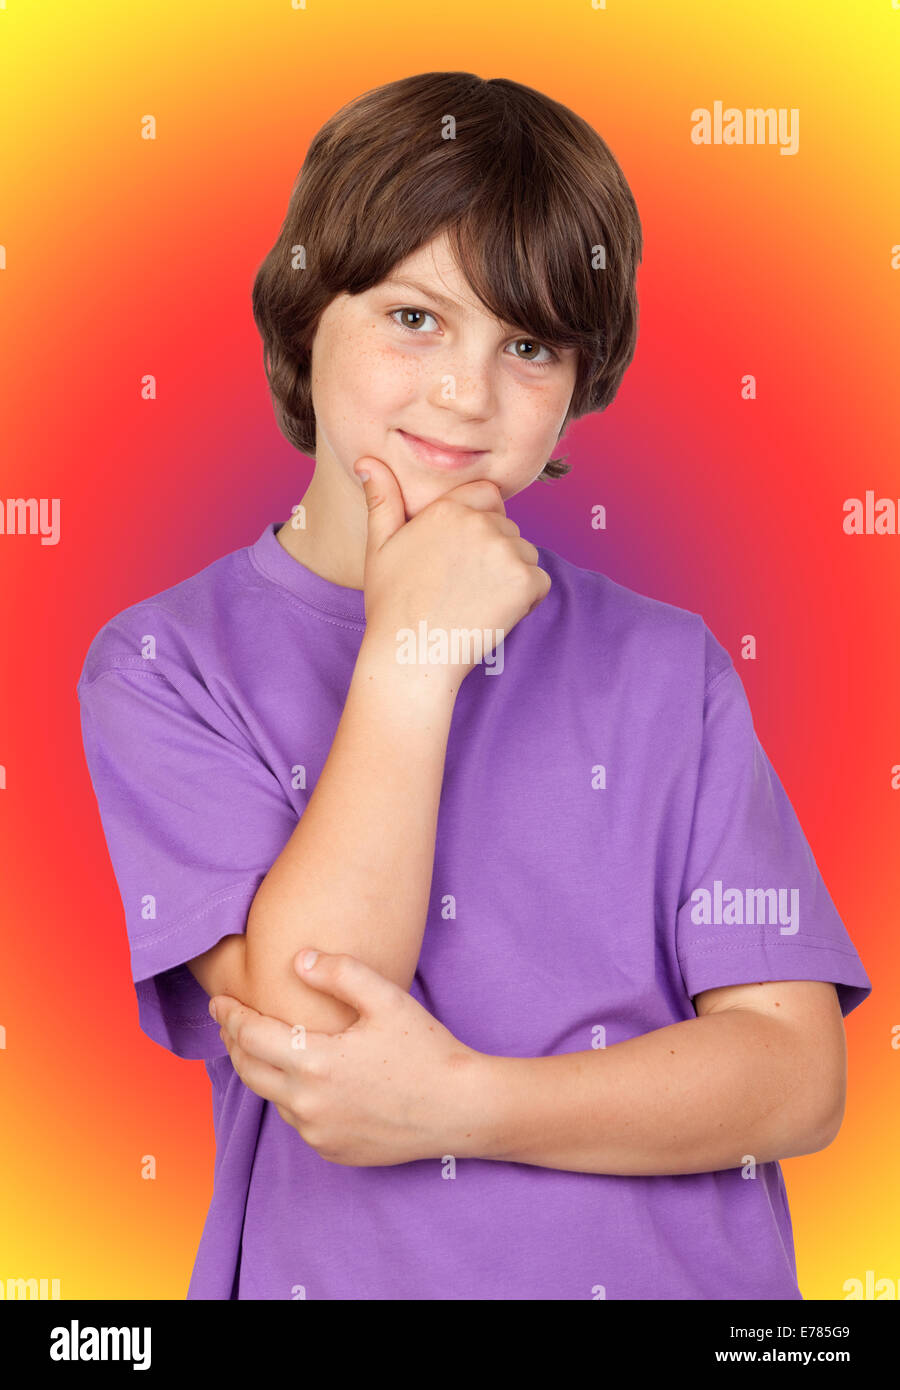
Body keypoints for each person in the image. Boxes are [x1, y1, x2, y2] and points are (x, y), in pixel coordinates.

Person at [76, 71, 871, 1300]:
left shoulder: (671, 666)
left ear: (575, 382)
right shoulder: (164, 664)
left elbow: (796, 1074)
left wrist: (461, 1104)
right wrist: (412, 654)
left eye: (528, 343)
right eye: (413, 318)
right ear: (306, 315)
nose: (466, 392)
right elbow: (315, 1022)